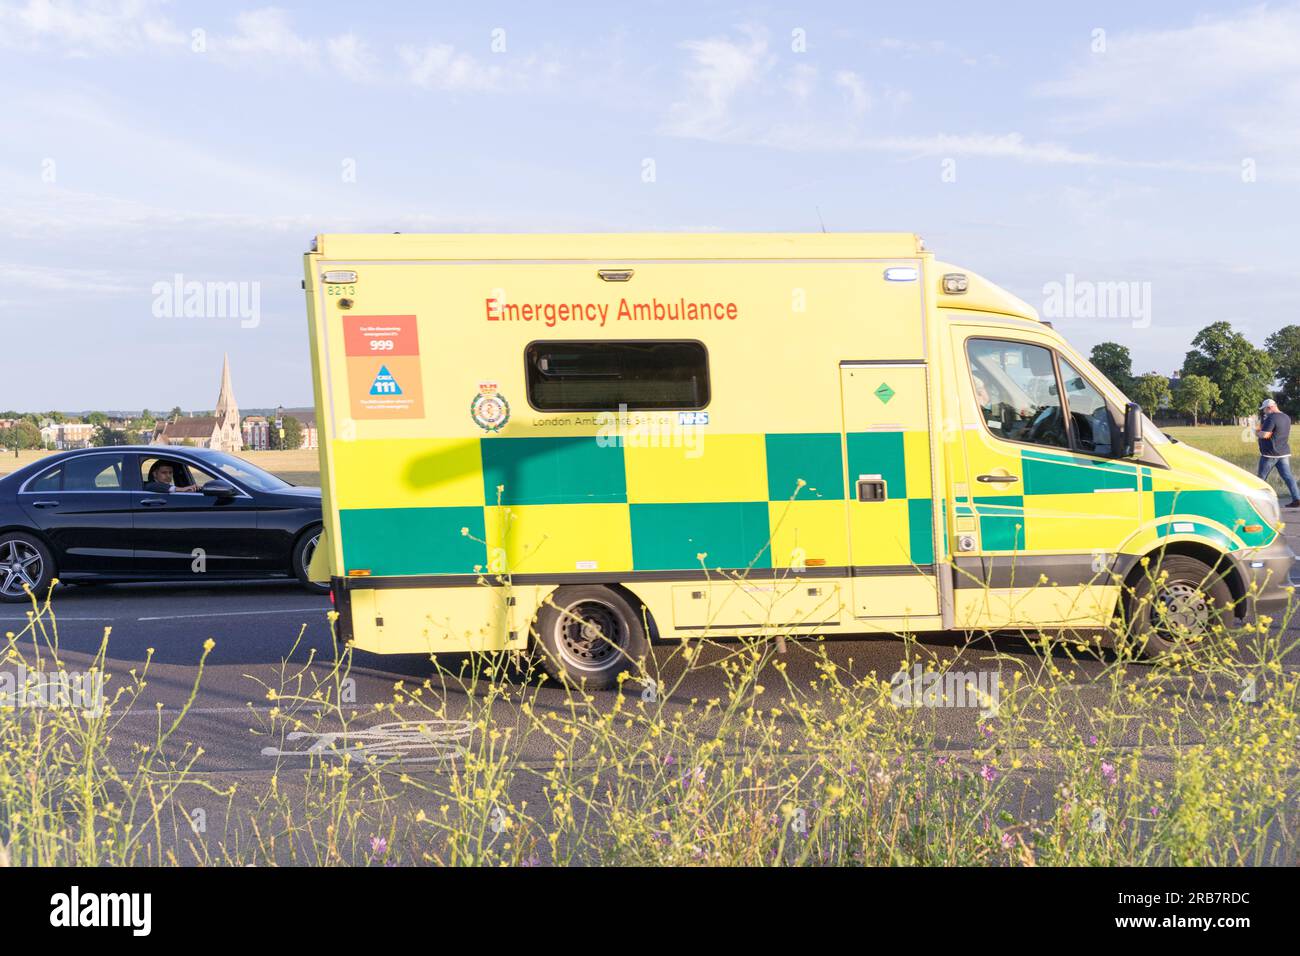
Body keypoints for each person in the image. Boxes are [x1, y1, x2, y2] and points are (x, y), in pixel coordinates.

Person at [1255, 398, 1300, 508]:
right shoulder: (1286, 417)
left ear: (1270, 407)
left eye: (1264, 409)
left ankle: (1257, 502)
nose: (1264, 412)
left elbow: (1265, 435)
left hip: (1270, 454)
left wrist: (1256, 432)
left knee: (1261, 478)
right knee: (1288, 477)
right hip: (1283, 452)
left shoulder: (1272, 418)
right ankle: (1297, 499)